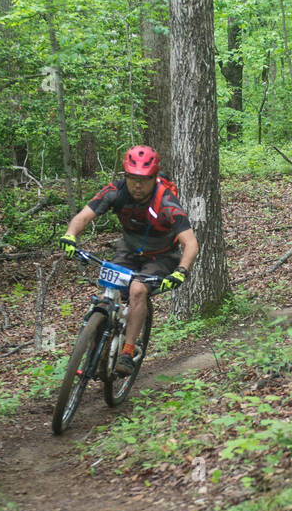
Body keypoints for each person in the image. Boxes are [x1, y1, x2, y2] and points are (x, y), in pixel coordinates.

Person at [58, 145, 198, 375]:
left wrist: (180, 271)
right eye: (132, 179)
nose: (138, 185)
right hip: (129, 250)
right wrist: (70, 235)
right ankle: (94, 351)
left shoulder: (167, 202)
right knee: (106, 296)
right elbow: (84, 216)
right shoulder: (115, 192)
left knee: (137, 290)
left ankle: (128, 351)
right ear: (125, 176)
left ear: (154, 178)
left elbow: (190, 242)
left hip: (162, 254)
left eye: (144, 180)